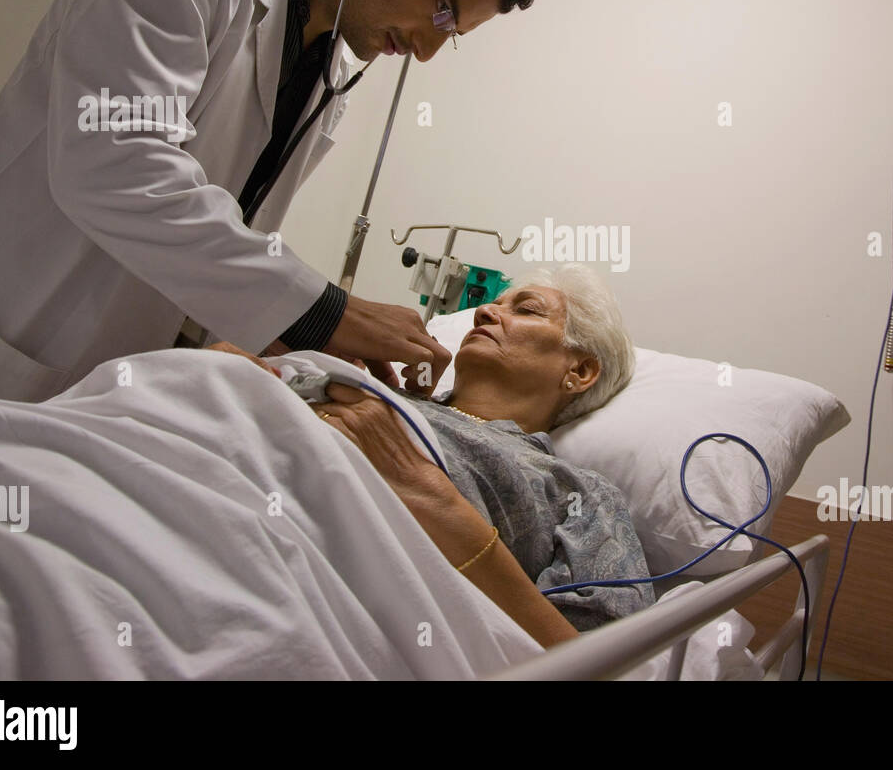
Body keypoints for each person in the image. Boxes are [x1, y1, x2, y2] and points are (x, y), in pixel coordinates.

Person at [0, 0, 537, 404]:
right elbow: (113, 163)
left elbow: (216, 241)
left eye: (450, 33)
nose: (427, 49)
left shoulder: (328, 80)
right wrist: (321, 311)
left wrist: (285, 342)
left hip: (105, 392)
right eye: (440, 8)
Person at [259, 264, 653, 649]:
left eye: (526, 309)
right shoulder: (367, 385)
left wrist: (432, 498)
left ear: (580, 370)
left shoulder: (578, 493)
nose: (483, 311)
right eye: (496, 304)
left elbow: (600, 662)